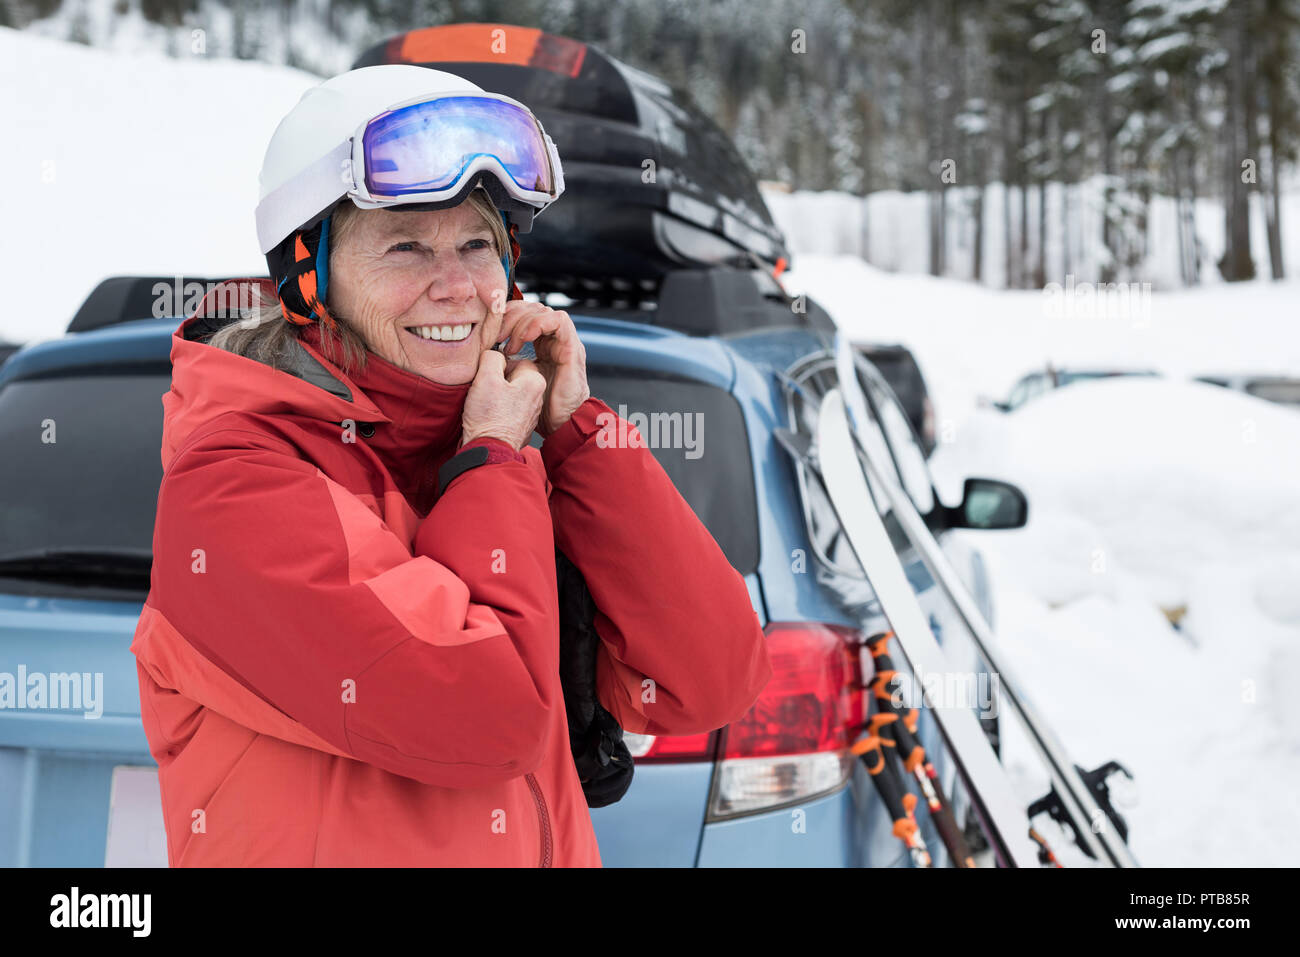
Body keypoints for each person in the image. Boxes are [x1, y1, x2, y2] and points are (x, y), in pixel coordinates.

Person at [129, 64, 772, 866]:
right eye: (405, 246)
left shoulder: (498, 467)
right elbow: (487, 718)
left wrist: (578, 436)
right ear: (308, 278)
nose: (459, 285)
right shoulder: (234, 486)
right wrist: (496, 459)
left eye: (477, 243)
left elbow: (708, 680)